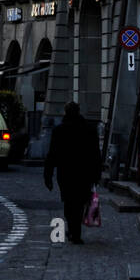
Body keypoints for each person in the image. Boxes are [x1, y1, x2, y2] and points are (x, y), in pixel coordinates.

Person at [43, 101, 102, 243]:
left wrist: (48, 175)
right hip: (84, 173)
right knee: (80, 202)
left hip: (66, 173)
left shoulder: (59, 130)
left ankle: (73, 230)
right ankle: (75, 232)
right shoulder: (89, 129)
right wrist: (97, 174)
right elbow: (95, 154)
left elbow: (52, 154)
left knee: (69, 202)